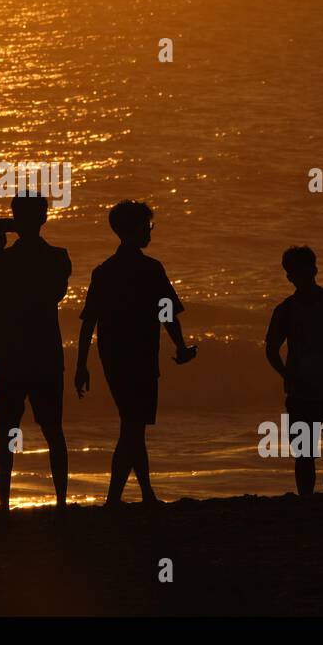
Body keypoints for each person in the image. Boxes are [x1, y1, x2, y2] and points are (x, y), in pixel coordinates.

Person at [75, 200, 196, 506]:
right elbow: (167, 313)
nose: (150, 232)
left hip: (112, 357)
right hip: (141, 355)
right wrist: (180, 347)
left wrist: (81, 365)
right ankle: (115, 498)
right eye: (147, 226)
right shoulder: (150, 269)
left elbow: (89, 321)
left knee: (133, 424)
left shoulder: (104, 271)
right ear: (135, 229)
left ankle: (145, 493)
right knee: (132, 425)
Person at [0, 193, 72, 511]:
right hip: (43, 352)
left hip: (9, 355)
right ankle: (59, 502)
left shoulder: (3, 260)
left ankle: (4, 504)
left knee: (8, 429)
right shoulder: (58, 257)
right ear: (43, 219)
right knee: (52, 428)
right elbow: (55, 293)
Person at [265, 247, 323, 496]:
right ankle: (306, 496)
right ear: (290, 277)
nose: (301, 275)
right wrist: (287, 375)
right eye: (296, 271)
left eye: (305, 269)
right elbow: (271, 349)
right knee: (305, 451)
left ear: (314, 270)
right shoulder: (286, 309)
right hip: (303, 388)